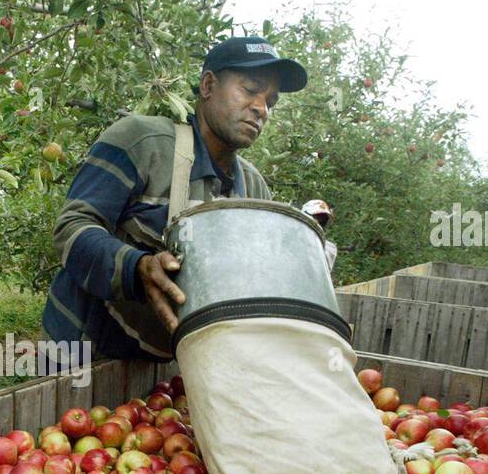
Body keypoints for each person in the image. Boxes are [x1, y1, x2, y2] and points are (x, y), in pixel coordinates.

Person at [42, 35, 308, 363]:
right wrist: (137, 268)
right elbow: (71, 228)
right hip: (82, 352)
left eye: (271, 101)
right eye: (251, 89)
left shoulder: (254, 192)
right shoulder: (142, 142)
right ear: (208, 85)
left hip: (171, 367)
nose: (261, 108)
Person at [301, 198, 340, 272]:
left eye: (323, 221)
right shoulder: (290, 239)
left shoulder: (328, 248)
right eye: (316, 217)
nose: (318, 222)